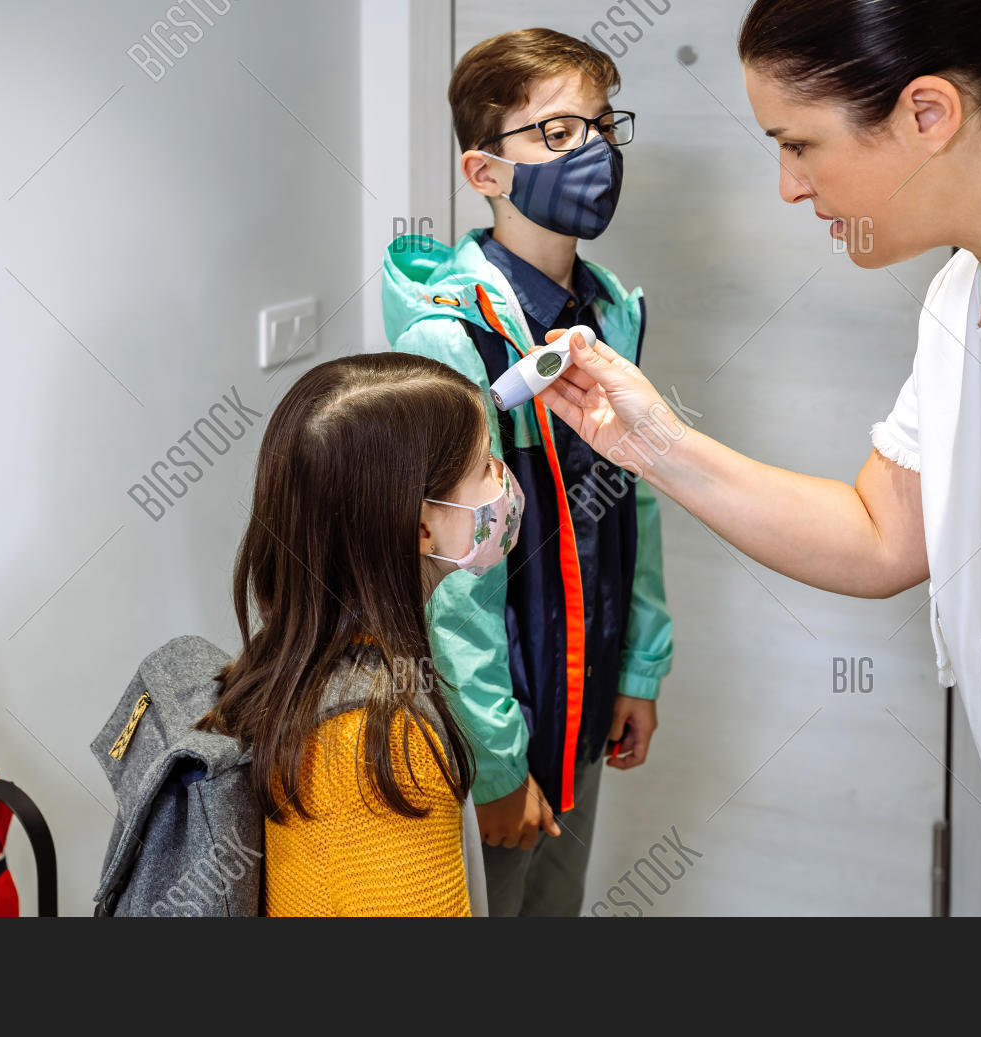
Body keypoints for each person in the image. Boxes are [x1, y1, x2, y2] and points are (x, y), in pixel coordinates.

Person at [537, 0, 981, 917]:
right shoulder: (965, 289)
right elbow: (881, 535)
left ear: (927, 114)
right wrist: (647, 442)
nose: (789, 186)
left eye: (800, 145)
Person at [383, 27, 674, 916]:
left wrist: (639, 667)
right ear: (485, 174)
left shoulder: (611, 309)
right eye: (555, 134)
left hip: (588, 698)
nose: (592, 152)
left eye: (601, 126)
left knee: (560, 911)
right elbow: (449, 577)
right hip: (498, 724)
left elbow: (640, 494)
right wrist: (498, 764)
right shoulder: (451, 337)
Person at [195, 352, 523, 916]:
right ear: (421, 526)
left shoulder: (290, 659)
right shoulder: (385, 751)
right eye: (483, 466)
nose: (502, 478)